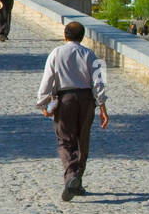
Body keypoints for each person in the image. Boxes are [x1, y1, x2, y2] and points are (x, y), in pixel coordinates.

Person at [36, 20, 109, 202]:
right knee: (82, 141)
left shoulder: (56, 53)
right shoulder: (91, 54)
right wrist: (103, 108)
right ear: (82, 37)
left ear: (65, 35)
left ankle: (71, 177)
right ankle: (77, 180)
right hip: (86, 101)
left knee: (65, 141)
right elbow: (99, 83)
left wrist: (44, 103)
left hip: (65, 100)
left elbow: (48, 79)